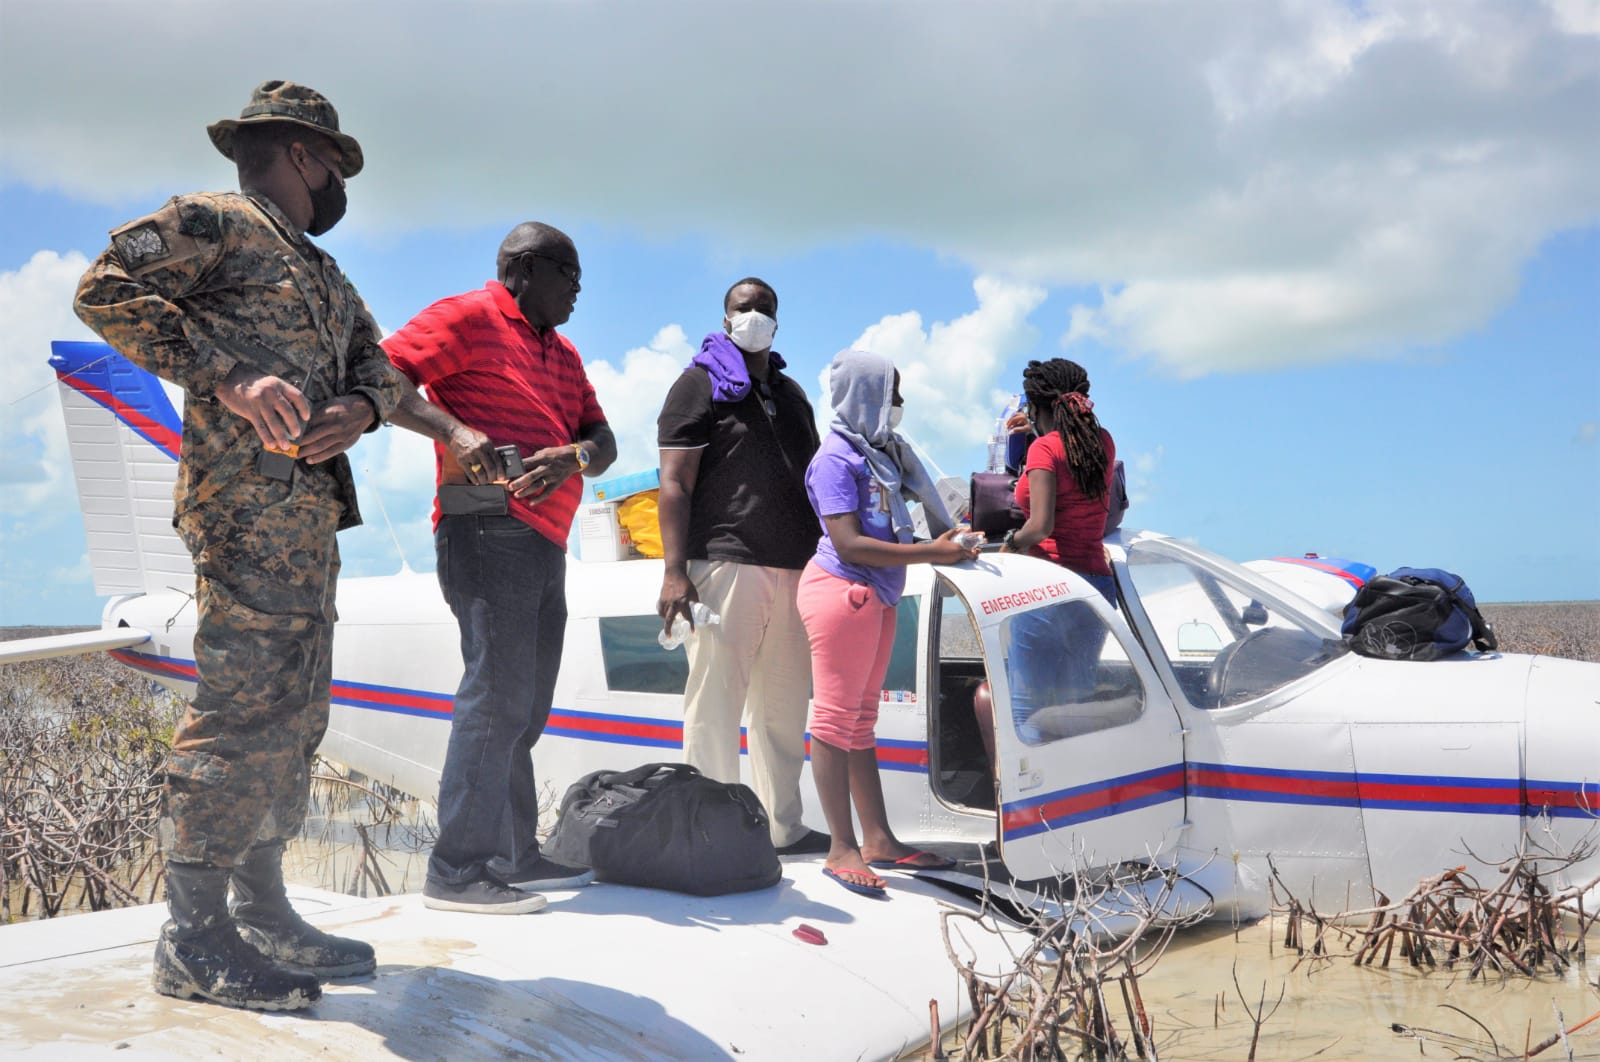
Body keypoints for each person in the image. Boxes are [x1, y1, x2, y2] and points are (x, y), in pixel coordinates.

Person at [73, 81, 402, 1010]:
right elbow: (102, 289)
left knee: (295, 716)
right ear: (302, 154)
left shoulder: (322, 272)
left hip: (306, 524)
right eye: (334, 164)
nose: (340, 184)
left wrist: (361, 407)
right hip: (241, 513)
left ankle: (261, 911)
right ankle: (192, 936)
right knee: (240, 712)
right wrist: (228, 377)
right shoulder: (212, 222)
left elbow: (381, 364)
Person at [384, 222, 617, 914]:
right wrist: (454, 431)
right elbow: (381, 375)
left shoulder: (564, 353)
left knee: (525, 704)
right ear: (524, 268)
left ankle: (516, 855)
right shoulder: (468, 316)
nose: (578, 290)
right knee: (496, 696)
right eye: (569, 274)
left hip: (545, 541)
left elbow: (602, 441)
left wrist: (572, 457)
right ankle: (457, 870)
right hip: (485, 529)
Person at [655, 278, 829, 856]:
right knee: (715, 704)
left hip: (796, 566)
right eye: (743, 307)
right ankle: (709, 833)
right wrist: (674, 572)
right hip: (725, 562)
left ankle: (783, 828)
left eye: (764, 308)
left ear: (778, 320)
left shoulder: (792, 394)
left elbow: (813, 480)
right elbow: (674, 483)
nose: (754, 315)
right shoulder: (698, 385)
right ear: (725, 316)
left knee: (783, 708)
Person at [797, 349, 978, 895]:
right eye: (890, 392)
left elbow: (898, 524)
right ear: (866, 395)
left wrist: (946, 541)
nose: (898, 402)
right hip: (841, 591)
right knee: (834, 722)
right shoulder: (835, 460)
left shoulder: (882, 455)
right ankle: (841, 847)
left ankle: (877, 839)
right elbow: (850, 543)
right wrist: (932, 553)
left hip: (875, 593)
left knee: (860, 723)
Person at [990, 358, 1118, 747]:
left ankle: (1029, 786)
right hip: (1095, 590)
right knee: (1074, 710)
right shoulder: (1103, 442)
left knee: (1027, 713)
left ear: (1038, 406)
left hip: (1046, 589)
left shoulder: (1044, 449)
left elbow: (1040, 527)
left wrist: (1008, 545)